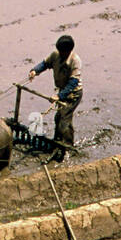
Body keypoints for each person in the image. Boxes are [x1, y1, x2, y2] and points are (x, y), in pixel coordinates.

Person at [28, 33, 82, 161]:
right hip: (62, 91)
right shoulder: (55, 55)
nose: (60, 53)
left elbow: (73, 82)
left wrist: (59, 96)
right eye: (59, 50)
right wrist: (35, 71)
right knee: (59, 117)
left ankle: (67, 147)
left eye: (63, 51)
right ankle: (58, 142)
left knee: (64, 119)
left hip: (73, 93)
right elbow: (45, 64)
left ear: (69, 51)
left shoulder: (75, 60)